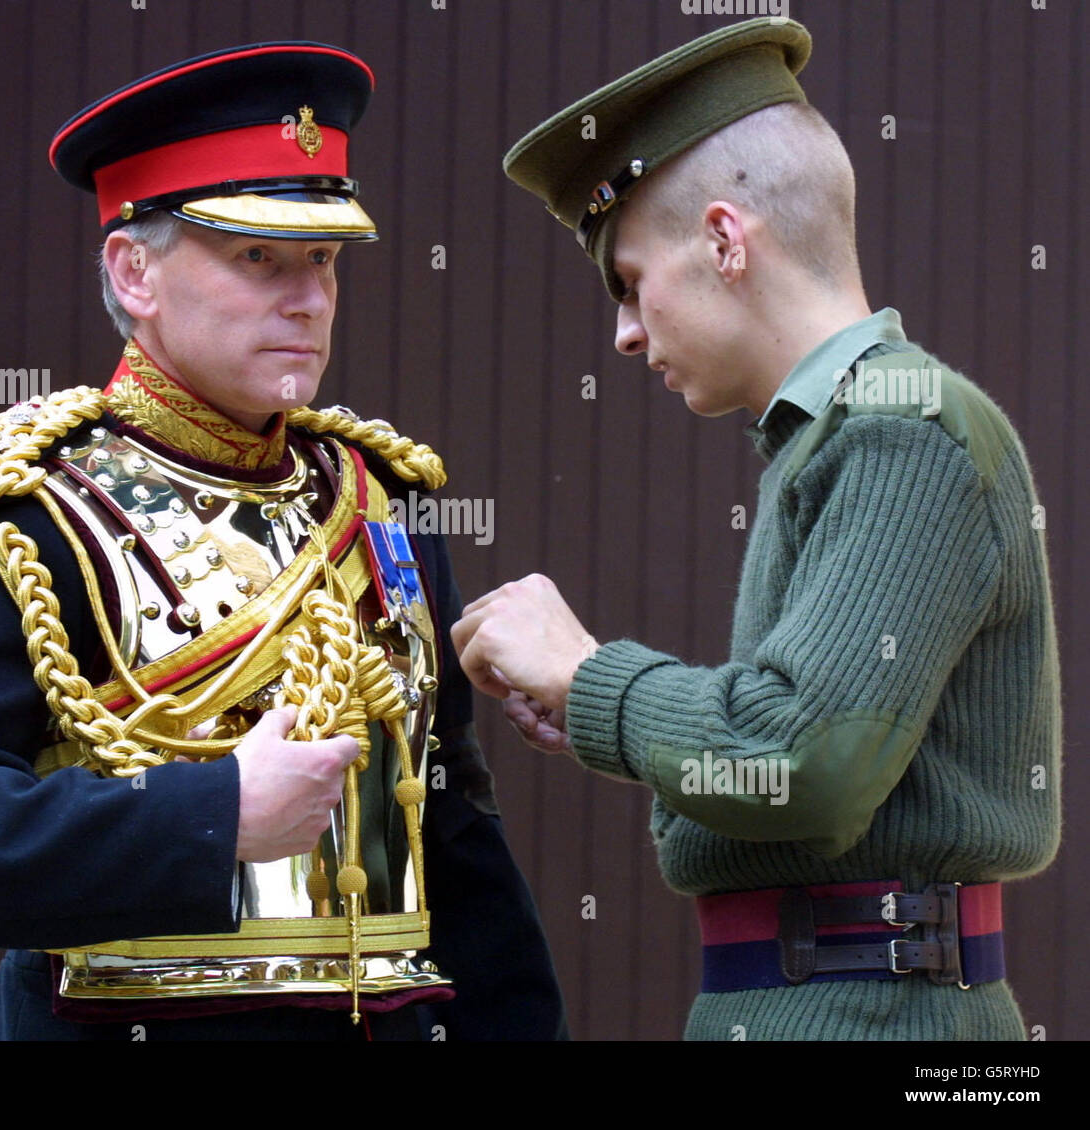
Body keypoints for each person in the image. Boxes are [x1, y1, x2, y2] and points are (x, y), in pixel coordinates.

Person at [0, 41, 566, 1042]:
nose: (306, 296)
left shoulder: (380, 502)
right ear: (134, 271)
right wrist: (213, 813)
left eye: (321, 259)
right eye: (259, 256)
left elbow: (449, 838)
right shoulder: (20, 509)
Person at [452, 17, 1060, 1040]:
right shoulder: (844, 437)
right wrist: (610, 710)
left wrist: (589, 673)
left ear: (726, 240)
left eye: (632, 279)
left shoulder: (898, 431)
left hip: (869, 1012)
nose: (625, 330)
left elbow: (802, 764)